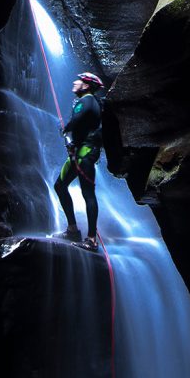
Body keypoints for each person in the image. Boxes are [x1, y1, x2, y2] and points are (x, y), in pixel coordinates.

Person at [52, 72, 105, 252]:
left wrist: (65, 129)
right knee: (60, 185)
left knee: (88, 194)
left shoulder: (87, 100)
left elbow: (76, 120)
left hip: (86, 152)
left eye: (79, 81)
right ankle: (72, 230)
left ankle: (91, 240)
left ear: (87, 85)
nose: (75, 82)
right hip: (80, 151)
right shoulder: (91, 102)